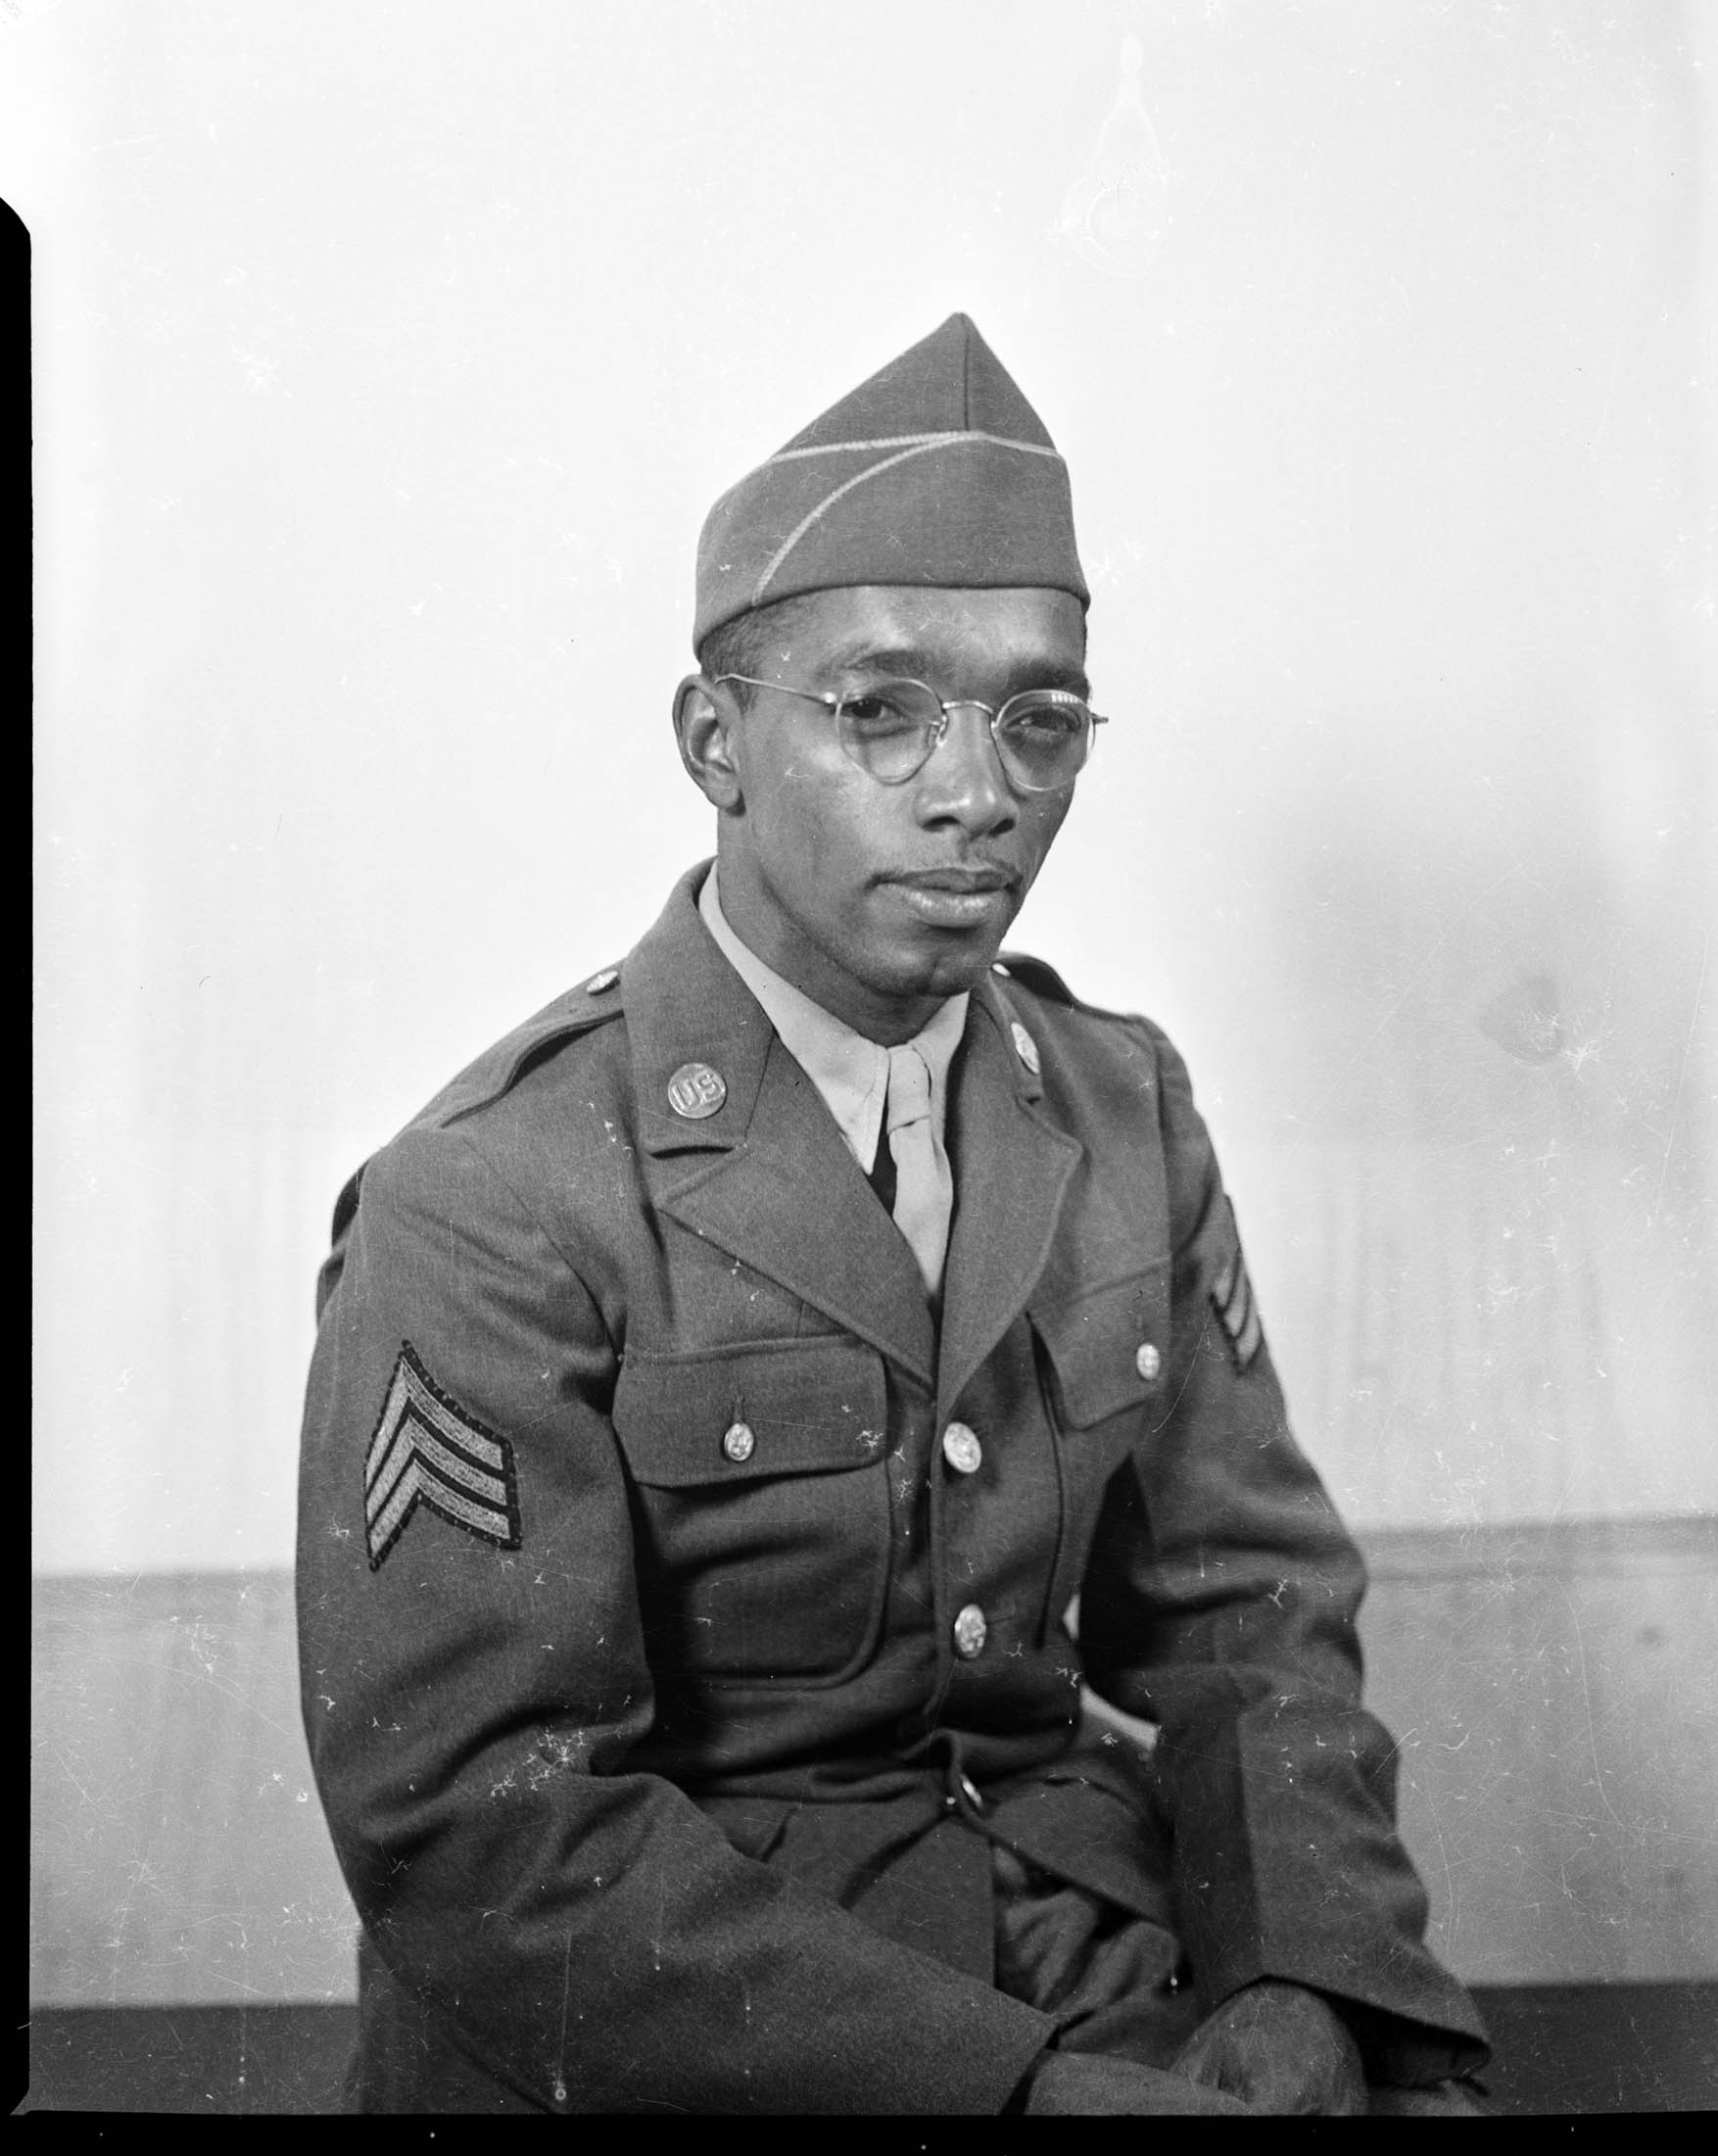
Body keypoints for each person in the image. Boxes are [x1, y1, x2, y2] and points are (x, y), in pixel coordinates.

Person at [297, 313, 1492, 2115]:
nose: (978, 791)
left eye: (1041, 718)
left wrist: (1296, 1973)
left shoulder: (1119, 1105)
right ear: (714, 738)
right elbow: (485, 1835)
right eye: (880, 710)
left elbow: (1247, 1608)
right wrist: (1017, 2096)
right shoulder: (491, 1192)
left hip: (1093, 1951)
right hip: (702, 2042)